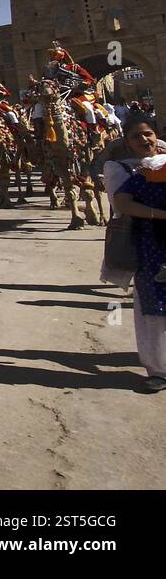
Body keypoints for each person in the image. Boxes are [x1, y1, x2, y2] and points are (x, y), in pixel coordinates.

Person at [103, 112, 166, 392]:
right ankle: (159, 369)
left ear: (157, 136)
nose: (144, 139)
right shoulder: (131, 172)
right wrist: (159, 215)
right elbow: (122, 203)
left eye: (148, 134)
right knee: (152, 308)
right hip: (150, 246)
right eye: (136, 136)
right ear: (127, 143)